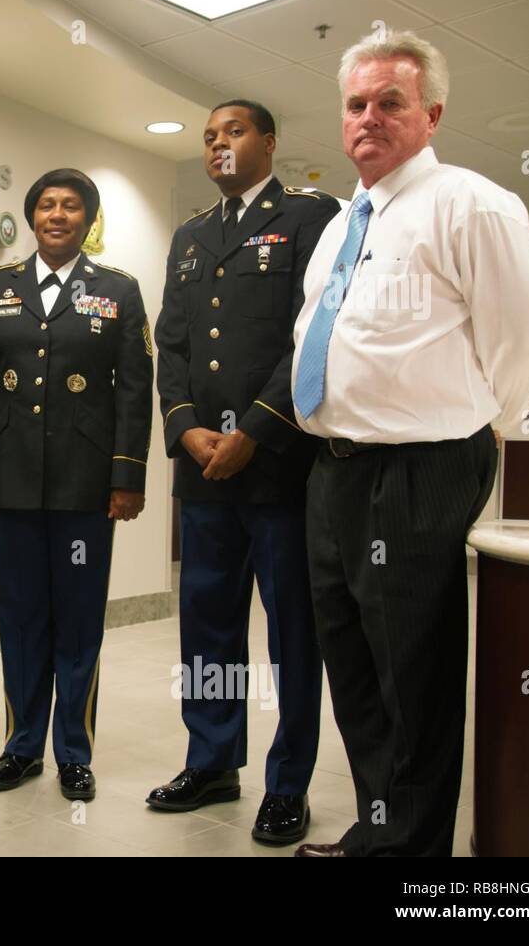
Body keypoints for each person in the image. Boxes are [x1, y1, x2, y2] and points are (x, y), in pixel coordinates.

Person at [290, 31, 529, 857]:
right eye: (356, 104)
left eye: (390, 102)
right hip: (331, 473)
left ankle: (413, 858)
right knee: (357, 675)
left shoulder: (471, 204)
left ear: (432, 113)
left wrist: (472, 432)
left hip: (417, 472)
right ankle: (380, 831)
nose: (369, 117)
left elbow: (525, 341)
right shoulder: (341, 224)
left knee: (416, 680)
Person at [148, 100, 339, 844]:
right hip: (204, 473)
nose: (219, 144)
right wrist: (185, 427)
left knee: (292, 630)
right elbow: (173, 343)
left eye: (233, 132)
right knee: (208, 628)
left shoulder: (306, 218)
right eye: (208, 136)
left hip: (279, 466)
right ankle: (213, 758)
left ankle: (288, 780)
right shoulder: (191, 235)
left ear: (268, 140)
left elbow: (311, 334)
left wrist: (255, 429)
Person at [0, 169, 153, 802]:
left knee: (77, 620)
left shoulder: (118, 291)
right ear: (34, 216)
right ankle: (20, 746)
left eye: (71, 206)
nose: (57, 215)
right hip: (11, 483)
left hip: (86, 486)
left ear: (87, 219)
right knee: (20, 618)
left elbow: (133, 391)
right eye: (47, 205)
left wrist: (128, 477)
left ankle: (74, 750)